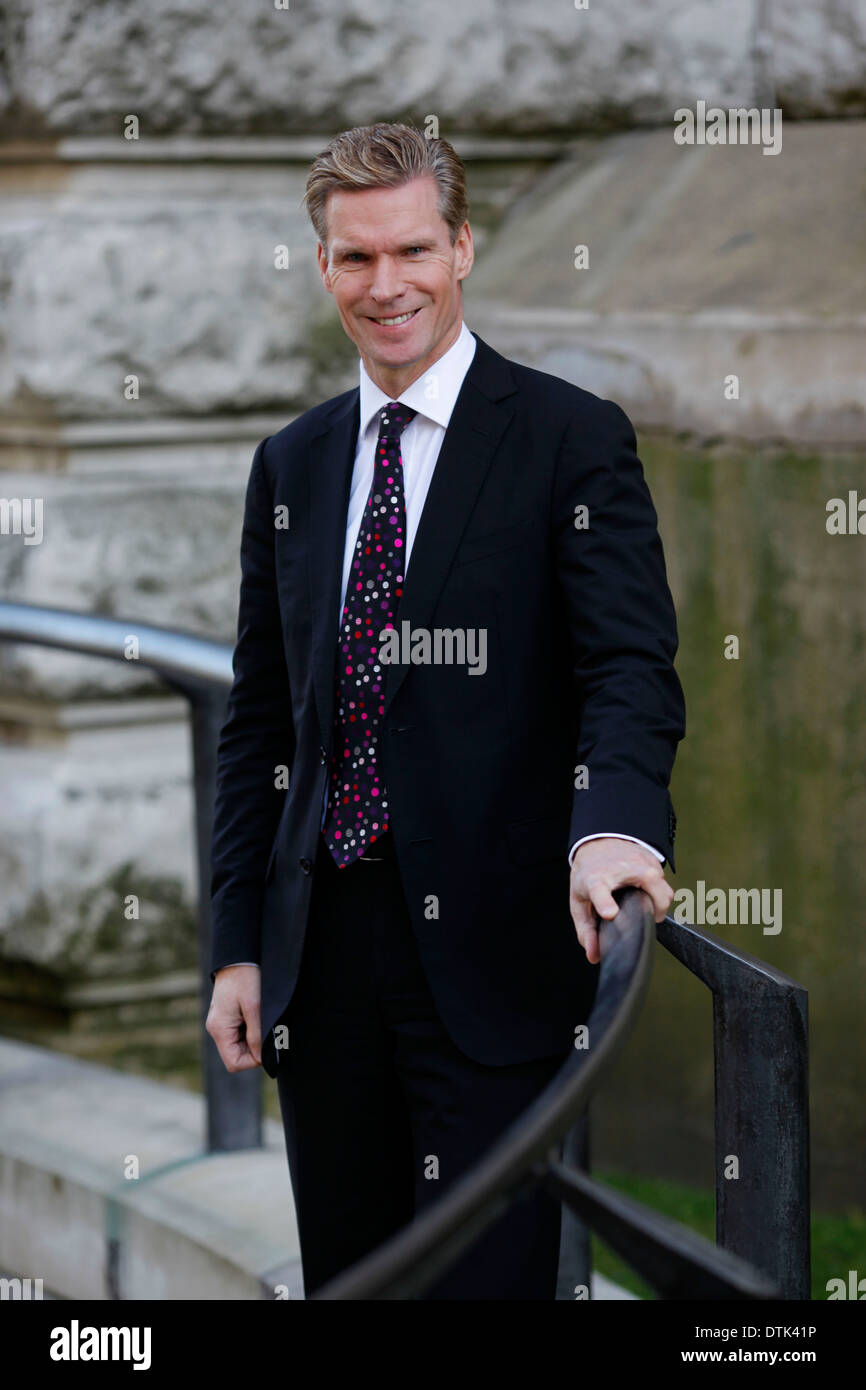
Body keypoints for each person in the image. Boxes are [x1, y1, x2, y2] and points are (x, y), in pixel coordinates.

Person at [205, 122, 685, 1300]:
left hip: (495, 959)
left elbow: (629, 665)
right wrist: (235, 944)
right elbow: (260, 719)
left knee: (479, 1286)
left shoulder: (570, 438)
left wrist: (612, 825)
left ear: (461, 249)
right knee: (355, 1284)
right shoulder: (294, 462)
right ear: (322, 265)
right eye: (355, 258)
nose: (387, 286)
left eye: (411, 250)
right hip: (322, 969)